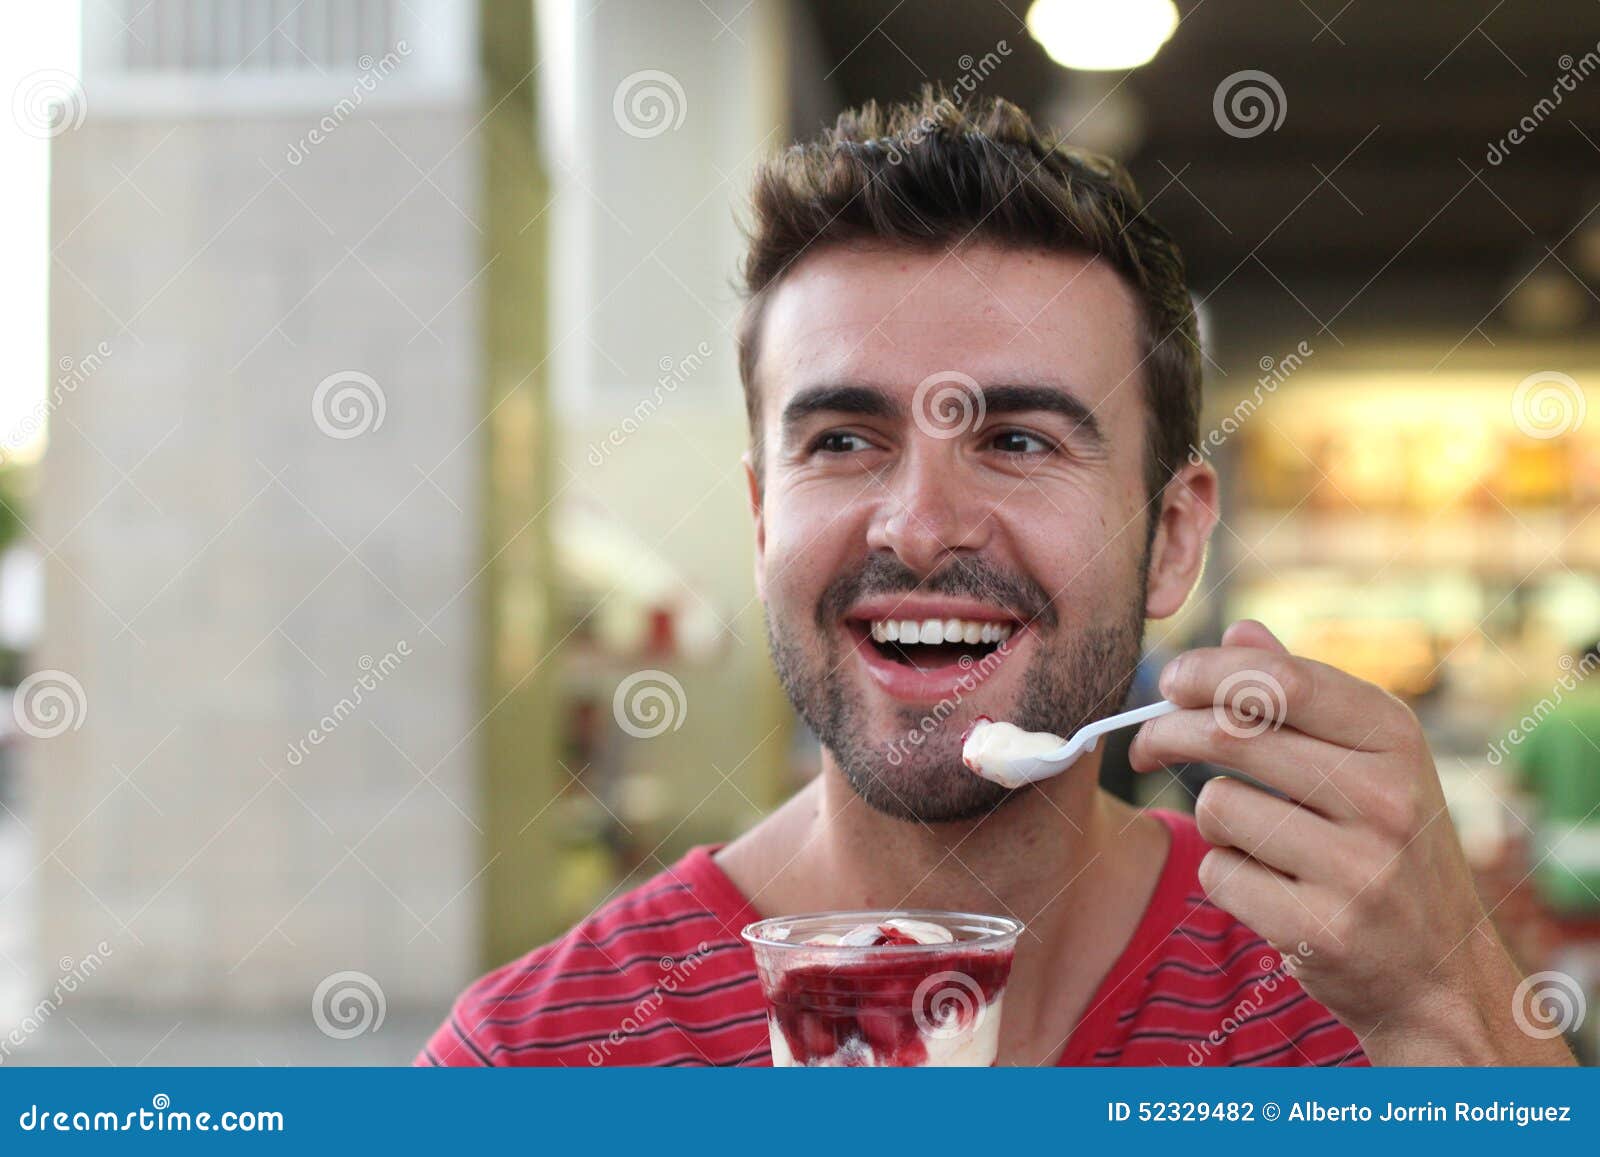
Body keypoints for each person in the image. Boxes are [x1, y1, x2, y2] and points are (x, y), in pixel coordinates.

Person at [419, 92, 1573, 1067]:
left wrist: (1449, 1001)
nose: (920, 528)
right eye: (842, 440)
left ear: (1173, 535)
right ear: (763, 518)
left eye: (1017, 440)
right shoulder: (527, 1061)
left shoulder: (1349, 1003)